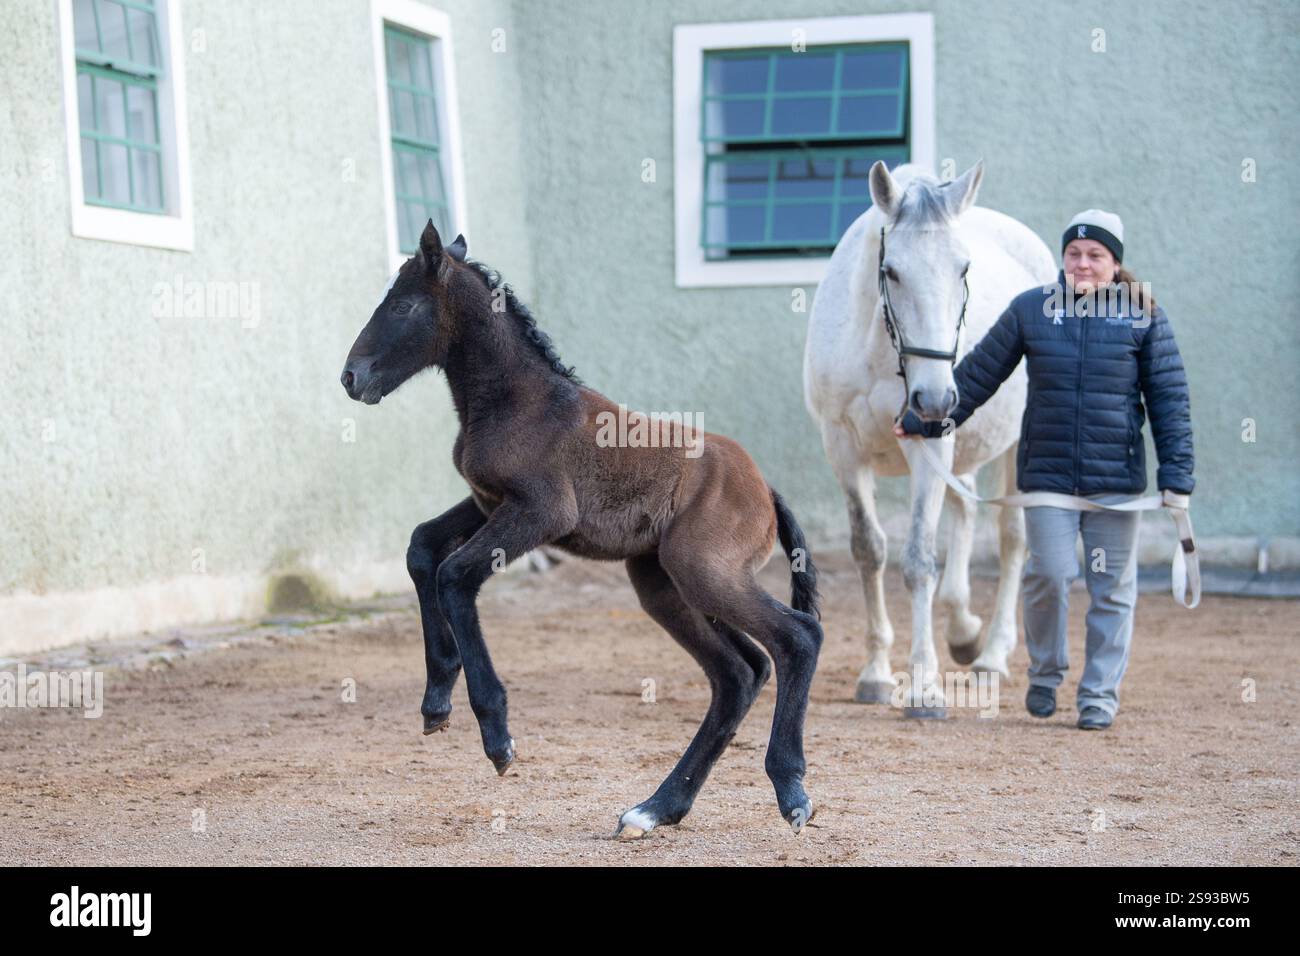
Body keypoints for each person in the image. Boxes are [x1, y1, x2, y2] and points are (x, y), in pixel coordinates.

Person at [894, 209, 1194, 730]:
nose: (1082, 263)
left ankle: (1098, 694)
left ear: (1114, 263)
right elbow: (981, 371)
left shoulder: (1144, 315)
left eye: (1095, 255)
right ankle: (1047, 673)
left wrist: (1178, 478)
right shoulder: (1032, 309)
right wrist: (924, 420)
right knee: (1047, 577)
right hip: (1049, 480)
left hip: (1116, 484)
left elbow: (1170, 399)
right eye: (1074, 253)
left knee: (1110, 589)